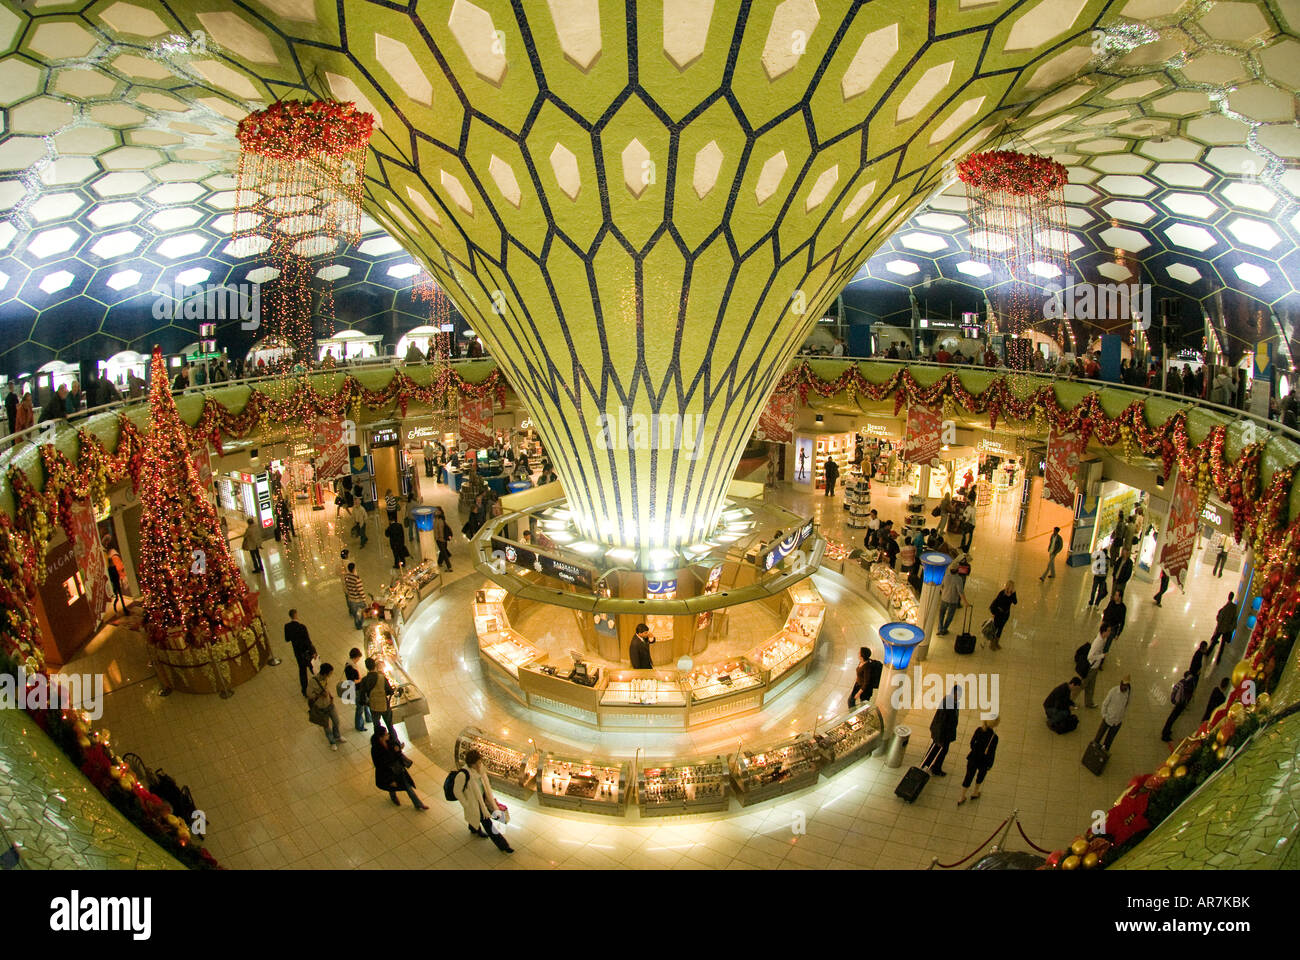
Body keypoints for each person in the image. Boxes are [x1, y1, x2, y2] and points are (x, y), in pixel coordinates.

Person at [453, 748, 513, 852]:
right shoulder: (463, 775)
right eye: (477, 763)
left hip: (483, 799)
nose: (479, 765)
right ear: (471, 764)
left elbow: (485, 785)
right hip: (475, 803)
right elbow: (457, 791)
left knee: (474, 816)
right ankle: (503, 845)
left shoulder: (480, 769)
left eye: (480, 762)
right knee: (488, 824)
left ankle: (473, 828)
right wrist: (466, 804)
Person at [370, 728, 427, 810]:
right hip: (387, 773)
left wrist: (398, 749)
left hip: (397, 770)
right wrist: (390, 780)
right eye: (386, 734)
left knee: (407, 786)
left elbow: (394, 753)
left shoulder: (388, 742)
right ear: (381, 737)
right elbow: (381, 765)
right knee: (391, 786)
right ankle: (394, 797)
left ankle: (418, 804)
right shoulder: (376, 750)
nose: (388, 735)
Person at [358, 658, 401, 746]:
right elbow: (389, 691)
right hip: (384, 705)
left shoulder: (365, 680)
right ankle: (396, 744)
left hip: (373, 707)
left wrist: (367, 703)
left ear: (367, 667)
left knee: (377, 727)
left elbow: (362, 697)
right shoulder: (382, 677)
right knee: (390, 725)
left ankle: (380, 745)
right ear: (375, 666)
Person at [957, 717, 999, 805]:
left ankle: (962, 797)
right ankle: (975, 792)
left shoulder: (979, 730)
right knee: (980, 776)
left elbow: (972, 743)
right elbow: (992, 753)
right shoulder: (994, 737)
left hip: (973, 757)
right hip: (984, 761)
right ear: (995, 724)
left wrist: (976, 750)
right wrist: (990, 764)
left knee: (968, 776)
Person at [921, 686, 960, 776]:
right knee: (938, 750)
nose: (958, 697)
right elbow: (941, 722)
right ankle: (929, 766)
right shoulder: (948, 704)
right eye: (957, 694)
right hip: (942, 734)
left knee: (939, 750)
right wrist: (939, 738)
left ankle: (932, 766)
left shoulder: (954, 702)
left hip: (946, 733)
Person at [307, 662, 345, 749]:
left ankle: (337, 736)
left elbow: (326, 688)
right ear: (325, 673)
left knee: (336, 721)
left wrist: (330, 695)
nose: (331, 675)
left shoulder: (325, 679)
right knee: (326, 726)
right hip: (320, 707)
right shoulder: (313, 682)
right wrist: (319, 695)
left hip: (330, 704)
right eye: (330, 673)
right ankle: (332, 742)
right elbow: (309, 694)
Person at [284, 609, 316, 697]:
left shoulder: (287, 626)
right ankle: (318, 682)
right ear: (296, 615)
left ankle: (304, 690)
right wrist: (313, 651)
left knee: (302, 671)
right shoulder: (302, 627)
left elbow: (287, 639)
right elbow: (308, 641)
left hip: (297, 652)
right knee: (312, 666)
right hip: (306, 651)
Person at [1094, 677, 1131, 751]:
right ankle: (1093, 749)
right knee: (1099, 736)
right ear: (1121, 684)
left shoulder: (1128, 693)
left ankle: (1103, 752)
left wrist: (1122, 717)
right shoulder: (1113, 691)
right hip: (1108, 718)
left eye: (1126, 686)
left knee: (1109, 739)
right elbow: (1105, 703)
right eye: (1123, 685)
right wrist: (1104, 715)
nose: (1124, 688)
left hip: (1117, 722)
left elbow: (1126, 705)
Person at [1161, 670, 1196, 743]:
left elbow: (1175, 689)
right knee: (1173, 717)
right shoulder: (1189, 684)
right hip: (1181, 704)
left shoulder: (1182, 682)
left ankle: (1166, 731)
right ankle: (1165, 733)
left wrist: (1173, 700)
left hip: (1179, 703)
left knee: (1172, 717)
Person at [1082, 624, 1112, 708]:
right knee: (1082, 685)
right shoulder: (1098, 642)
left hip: (1095, 667)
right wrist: (1102, 656)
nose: (1110, 632)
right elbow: (1090, 656)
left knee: (1091, 686)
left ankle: (1089, 702)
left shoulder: (1103, 639)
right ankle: (1071, 700)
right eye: (1108, 631)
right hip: (1092, 668)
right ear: (1104, 631)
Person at [935, 561, 969, 636]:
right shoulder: (958, 579)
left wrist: (943, 592)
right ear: (958, 570)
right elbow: (960, 592)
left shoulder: (946, 576)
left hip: (944, 598)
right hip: (953, 601)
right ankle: (944, 629)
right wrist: (965, 602)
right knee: (949, 616)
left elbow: (940, 586)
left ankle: (940, 629)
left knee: (941, 614)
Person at [344, 646, 371, 732]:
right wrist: (361, 680)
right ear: (355, 657)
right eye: (358, 658)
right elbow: (351, 681)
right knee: (360, 708)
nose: (358, 660)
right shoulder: (350, 667)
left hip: (360, 688)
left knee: (366, 703)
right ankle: (359, 726)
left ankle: (369, 718)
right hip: (356, 690)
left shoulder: (352, 664)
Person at [1207, 592, 1238, 665]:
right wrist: (1231, 628)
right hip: (1226, 629)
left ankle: (1209, 652)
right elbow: (1234, 619)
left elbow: (1220, 616)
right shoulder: (1234, 607)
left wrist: (1219, 623)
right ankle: (1218, 659)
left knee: (1215, 640)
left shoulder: (1227, 606)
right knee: (1222, 645)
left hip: (1221, 627)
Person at [987, 581, 1017, 650]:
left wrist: (1014, 594)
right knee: (995, 628)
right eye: (1011, 587)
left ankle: (996, 642)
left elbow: (1015, 602)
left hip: (1006, 614)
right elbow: (996, 603)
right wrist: (994, 613)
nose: (1012, 588)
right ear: (1008, 586)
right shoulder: (1001, 593)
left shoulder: (1012, 594)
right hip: (999, 614)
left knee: (1001, 628)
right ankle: (992, 643)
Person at [343, 562, 370, 629]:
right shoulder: (357, 578)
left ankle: (357, 625)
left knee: (355, 614)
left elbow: (346, 586)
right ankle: (359, 625)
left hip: (351, 599)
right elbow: (360, 590)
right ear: (354, 569)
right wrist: (364, 599)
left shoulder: (346, 576)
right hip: (358, 600)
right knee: (361, 613)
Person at [104, 541, 127, 612]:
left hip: (117, 582)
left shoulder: (112, 561)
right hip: (117, 582)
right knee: (117, 597)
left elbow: (118, 570)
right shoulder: (112, 566)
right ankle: (118, 607)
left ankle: (118, 607)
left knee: (117, 597)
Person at [432, 505, 453, 572]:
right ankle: (439, 562)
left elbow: (439, 530)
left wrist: (438, 538)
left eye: (436, 511)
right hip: (443, 538)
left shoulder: (439, 520)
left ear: (439, 512)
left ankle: (449, 567)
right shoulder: (440, 518)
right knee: (443, 550)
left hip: (441, 539)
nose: (435, 512)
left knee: (444, 553)